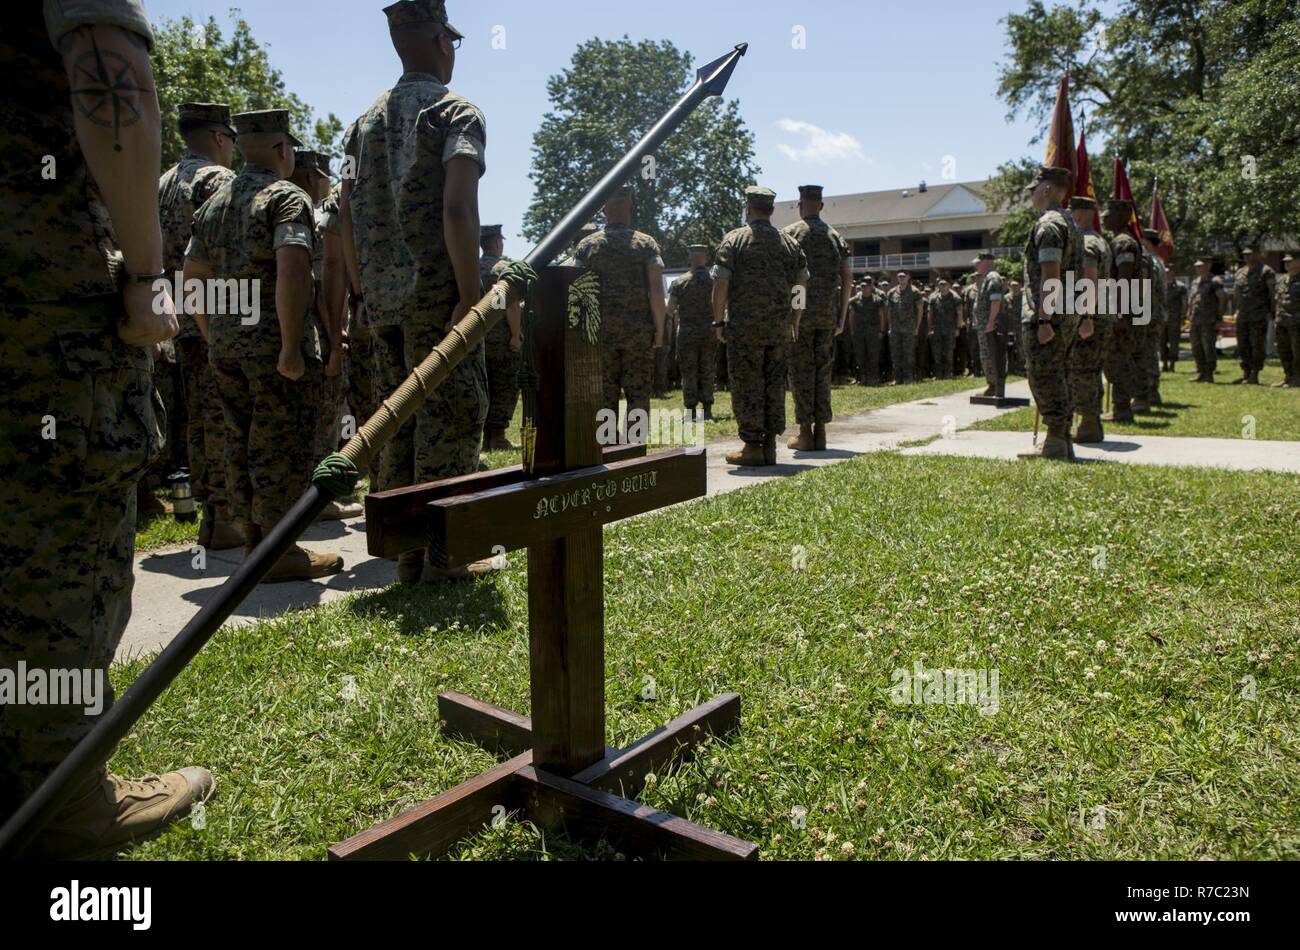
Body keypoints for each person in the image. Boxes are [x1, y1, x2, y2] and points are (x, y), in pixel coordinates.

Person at [2, 0, 213, 857]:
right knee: (61, 551)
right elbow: (106, 65)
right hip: (38, 303)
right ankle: (59, 798)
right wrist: (145, 273)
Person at [340, 0, 494, 584]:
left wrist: (361, 295)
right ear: (441, 41)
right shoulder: (456, 113)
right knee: (450, 415)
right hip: (439, 298)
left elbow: (345, 217)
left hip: (383, 305)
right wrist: (470, 294)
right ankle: (444, 555)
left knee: (395, 422)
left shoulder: (361, 126)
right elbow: (458, 208)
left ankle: (407, 552)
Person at [187, 110, 345, 583]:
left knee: (237, 442)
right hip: (273, 347)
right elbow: (293, 269)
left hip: (227, 347)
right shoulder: (285, 197)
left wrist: (213, 332)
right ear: (282, 149)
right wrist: (292, 345)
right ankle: (280, 550)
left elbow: (193, 275)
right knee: (282, 446)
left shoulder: (215, 202)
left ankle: (255, 545)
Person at [159, 101, 240, 548]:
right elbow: (227, 253)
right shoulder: (217, 179)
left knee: (198, 419)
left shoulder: (163, 183)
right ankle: (226, 516)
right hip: (219, 313)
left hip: (180, 314)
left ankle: (212, 515)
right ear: (219, 137)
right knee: (226, 417)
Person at [288, 149, 361, 522]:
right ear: (311, 176)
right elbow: (327, 275)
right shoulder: (317, 215)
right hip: (318, 328)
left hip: (291, 329)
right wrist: (336, 337)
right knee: (325, 417)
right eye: (323, 176)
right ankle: (317, 500)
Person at [714, 186, 808, 467]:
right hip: (778, 329)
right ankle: (769, 446)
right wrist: (795, 320)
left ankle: (752, 446)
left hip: (745, 329)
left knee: (747, 384)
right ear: (772, 209)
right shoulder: (789, 243)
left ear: (748, 208)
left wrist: (718, 320)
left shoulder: (735, 240)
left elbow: (721, 284)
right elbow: (801, 285)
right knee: (774, 384)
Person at [573, 187, 666, 441]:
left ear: (604, 209)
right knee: (639, 392)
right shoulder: (646, 244)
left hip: (599, 334)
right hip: (638, 334)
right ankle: (635, 446)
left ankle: (606, 445)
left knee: (604, 392)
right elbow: (656, 290)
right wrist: (660, 329)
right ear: (630, 207)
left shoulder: (587, 246)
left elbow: (577, 291)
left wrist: (581, 332)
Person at [782, 184, 851, 451]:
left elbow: (791, 279)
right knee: (822, 371)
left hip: (799, 316)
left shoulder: (790, 234)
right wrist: (841, 316)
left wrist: (793, 316)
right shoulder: (835, 237)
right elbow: (847, 278)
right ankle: (820, 431)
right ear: (821, 206)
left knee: (800, 372)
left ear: (800, 205)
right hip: (827, 317)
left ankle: (804, 432)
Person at [1020, 166, 1083, 460]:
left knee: (1044, 374)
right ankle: (1061, 439)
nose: (1031, 195)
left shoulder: (1049, 225)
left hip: (1051, 313)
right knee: (1060, 372)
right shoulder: (1070, 222)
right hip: (1068, 310)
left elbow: (1050, 274)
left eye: (1034, 189)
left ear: (1046, 189)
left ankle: (1056, 440)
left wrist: (1044, 319)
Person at [1067, 196, 1111, 443]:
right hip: (1100, 313)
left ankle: (1089, 424)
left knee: (1081, 370)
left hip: (1090, 315)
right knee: (1091, 370)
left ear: (1080, 214)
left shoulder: (1086, 242)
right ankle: (1091, 421)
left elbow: (1090, 279)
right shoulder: (1100, 241)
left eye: (1071, 211)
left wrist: (1086, 316)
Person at [478, 224, 523, 451]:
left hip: (476, 339)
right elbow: (511, 305)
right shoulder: (503, 270)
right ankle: (497, 437)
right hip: (501, 340)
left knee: (483, 386)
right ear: (497, 243)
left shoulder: (472, 268)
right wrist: (515, 335)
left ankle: (484, 438)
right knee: (504, 386)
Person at [1101, 199, 1144, 423]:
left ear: (1121, 217)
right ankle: (1121, 407)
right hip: (1121, 310)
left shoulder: (1124, 243)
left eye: (1108, 214)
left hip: (1121, 312)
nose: (1103, 218)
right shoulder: (1119, 240)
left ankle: (1122, 409)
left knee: (1117, 361)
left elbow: (1124, 280)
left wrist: (1120, 314)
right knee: (1117, 360)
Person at [667, 245, 717, 420]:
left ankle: (690, 410)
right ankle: (707, 409)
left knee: (689, 371)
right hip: (709, 331)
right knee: (707, 369)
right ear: (706, 258)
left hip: (687, 332)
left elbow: (670, 309)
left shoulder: (679, 282)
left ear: (690, 259)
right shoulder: (714, 281)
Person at [1231, 247, 1276, 385]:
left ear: (1257, 254)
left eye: (1250, 254)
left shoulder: (1266, 271)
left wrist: (1271, 311)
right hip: (1243, 314)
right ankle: (1246, 373)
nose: (1247, 257)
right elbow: (1237, 294)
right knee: (1243, 345)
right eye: (1245, 255)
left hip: (1259, 314)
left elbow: (1272, 293)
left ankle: (1255, 374)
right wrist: (1236, 310)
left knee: (1257, 345)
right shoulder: (1240, 272)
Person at [1138, 229, 1168, 407]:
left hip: (1149, 313)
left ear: (1146, 243)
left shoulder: (1150, 262)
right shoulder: (1159, 261)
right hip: (1156, 313)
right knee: (1151, 352)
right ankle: (1152, 391)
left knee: (1146, 353)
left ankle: (1149, 391)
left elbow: (1144, 288)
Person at [1187, 259, 1227, 383]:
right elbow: (1193, 299)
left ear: (1208, 266)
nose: (1198, 269)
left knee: (1208, 347)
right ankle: (1201, 371)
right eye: (1197, 266)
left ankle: (1209, 373)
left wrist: (1219, 318)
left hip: (1208, 320)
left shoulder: (1215, 281)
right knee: (1196, 346)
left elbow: (1223, 298)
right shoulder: (1195, 282)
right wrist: (1189, 313)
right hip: (1195, 320)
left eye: (1201, 266)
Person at [973, 253, 1007, 397]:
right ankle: (992, 385)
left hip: (990, 326)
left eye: (978, 263)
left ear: (986, 262)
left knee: (992, 356)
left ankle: (995, 386)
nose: (976, 266)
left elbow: (996, 300)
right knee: (987, 356)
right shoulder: (987, 278)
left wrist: (991, 321)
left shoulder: (992, 277)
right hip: (985, 326)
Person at [885, 271, 923, 384]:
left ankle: (908, 378)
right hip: (895, 328)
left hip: (909, 328)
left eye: (903, 276)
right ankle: (897, 378)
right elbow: (889, 311)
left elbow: (920, 310)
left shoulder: (915, 292)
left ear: (908, 277)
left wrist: (917, 327)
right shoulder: (892, 292)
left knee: (908, 353)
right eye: (899, 276)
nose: (901, 278)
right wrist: (890, 326)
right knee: (895, 353)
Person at [849, 276, 885, 385]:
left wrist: (881, 330)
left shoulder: (877, 300)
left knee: (873, 355)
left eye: (866, 286)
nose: (863, 288)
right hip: (859, 332)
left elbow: (882, 316)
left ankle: (873, 378)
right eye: (862, 286)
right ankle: (862, 378)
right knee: (860, 355)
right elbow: (851, 316)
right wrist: (852, 330)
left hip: (873, 332)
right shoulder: (854, 301)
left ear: (870, 287)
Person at [1274, 254, 1300, 388]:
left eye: (1290, 261)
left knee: (1297, 352)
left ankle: (1298, 378)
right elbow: (1277, 300)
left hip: (1297, 323)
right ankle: (1288, 376)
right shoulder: (1282, 279)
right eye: (1285, 261)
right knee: (1283, 350)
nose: (1286, 264)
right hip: (1282, 322)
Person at [929, 278, 959, 379]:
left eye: (944, 284)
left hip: (950, 329)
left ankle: (948, 373)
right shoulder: (933, 298)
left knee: (949, 352)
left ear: (949, 285)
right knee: (936, 352)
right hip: (937, 329)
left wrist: (957, 328)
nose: (942, 286)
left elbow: (959, 314)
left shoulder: (955, 297)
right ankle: (938, 373)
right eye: (940, 284)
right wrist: (930, 328)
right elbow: (930, 314)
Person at [1163, 269, 1188, 373]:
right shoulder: (1160, 286)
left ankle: (1172, 363)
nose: (1167, 274)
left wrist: (1183, 316)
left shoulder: (1180, 287)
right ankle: (1164, 363)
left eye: (1169, 272)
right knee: (1161, 342)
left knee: (1174, 342)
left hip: (1174, 318)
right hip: (1162, 319)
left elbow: (1185, 302)